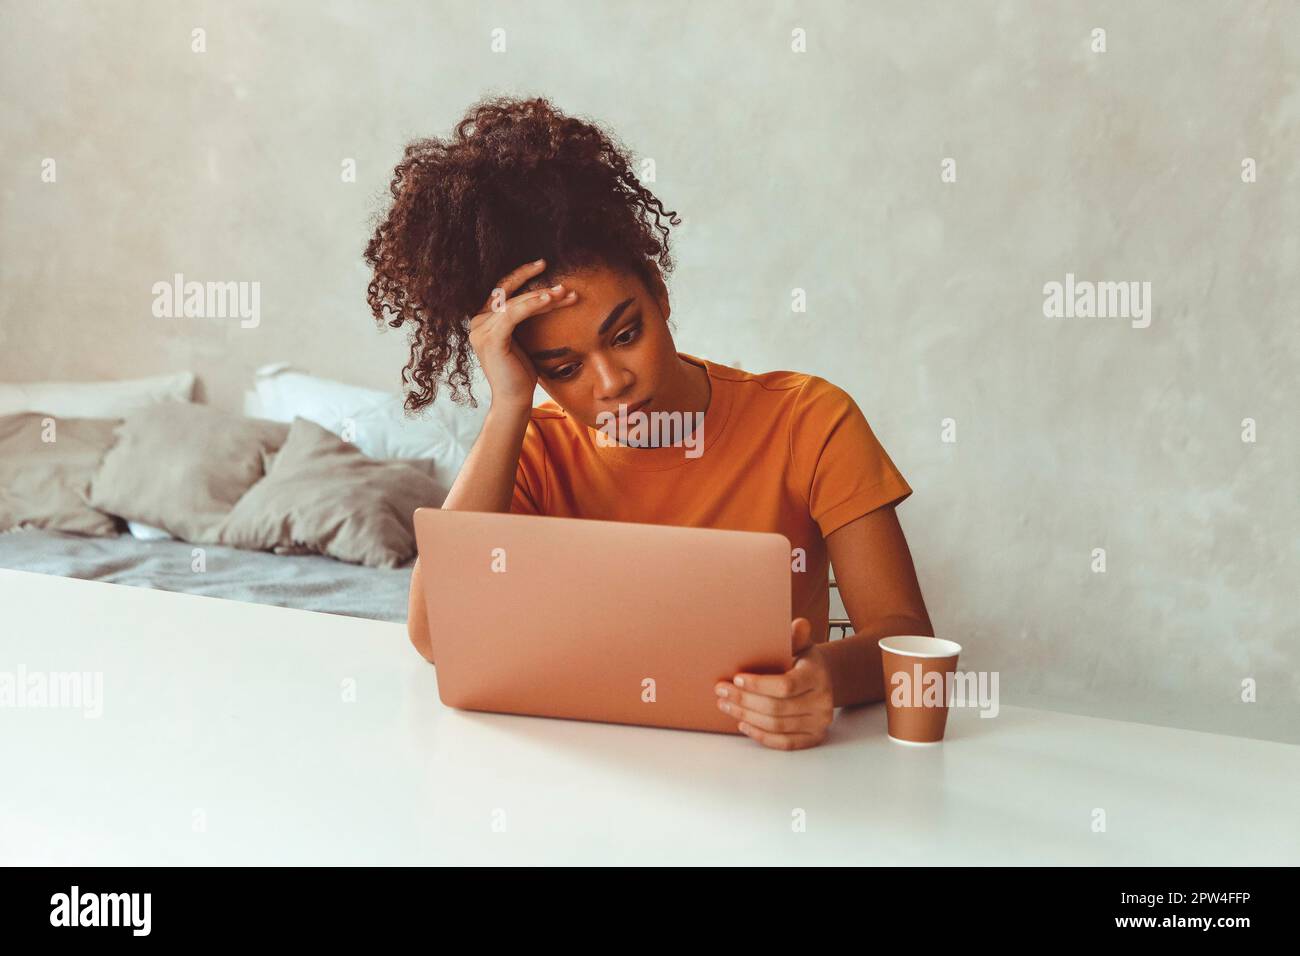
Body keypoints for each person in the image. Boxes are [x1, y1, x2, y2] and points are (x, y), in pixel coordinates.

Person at [364, 95, 933, 750]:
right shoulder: (534, 451)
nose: (612, 383)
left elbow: (907, 635)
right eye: (565, 368)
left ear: (660, 297)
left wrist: (823, 677)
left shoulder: (809, 419)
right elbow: (438, 639)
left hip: (757, 770)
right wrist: (509, 405)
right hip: (593, 771)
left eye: (626, 333)